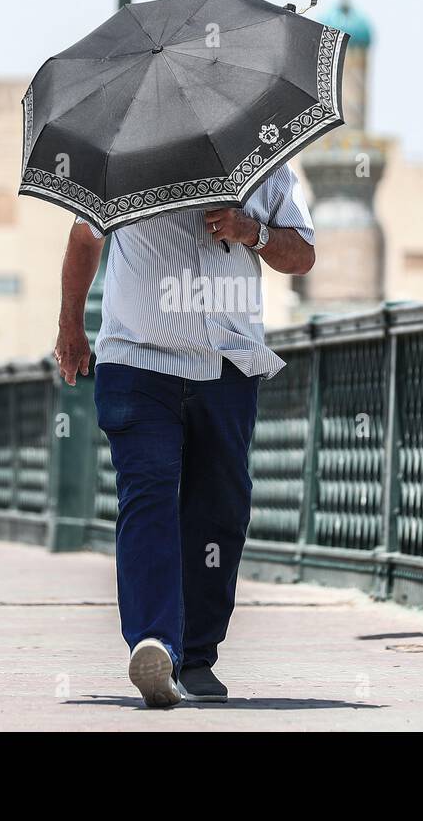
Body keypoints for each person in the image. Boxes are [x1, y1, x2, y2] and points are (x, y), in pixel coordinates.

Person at [55, 164, 316, 708]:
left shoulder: (261, 164)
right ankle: (155, 644)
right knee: (148, 497)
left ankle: (197, 656)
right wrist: (71, 327)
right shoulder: (124, 162)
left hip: (228, 361)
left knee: (218, 508)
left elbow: (303, 255)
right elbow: (85, 237)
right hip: (139, 357)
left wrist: (253, 231)